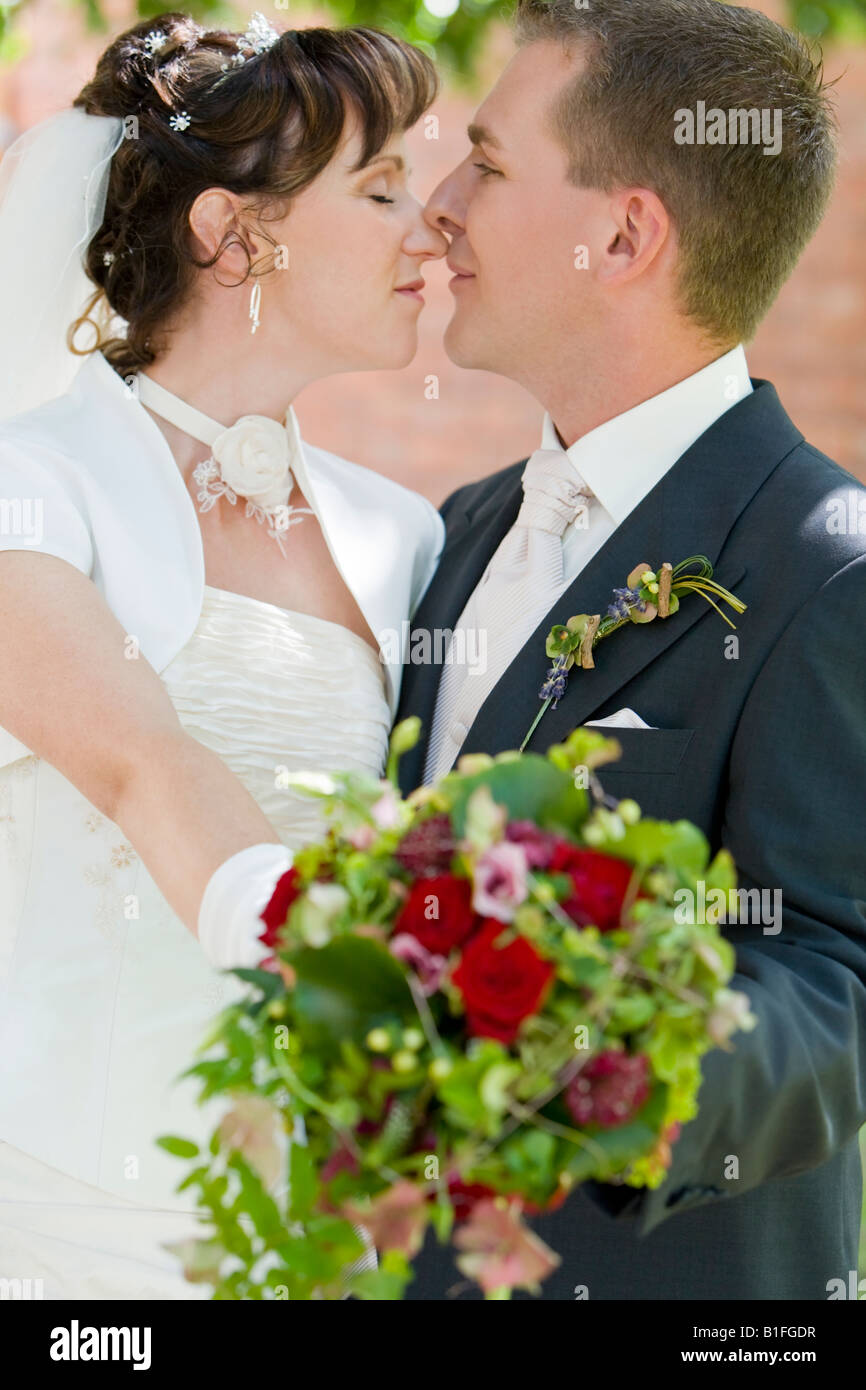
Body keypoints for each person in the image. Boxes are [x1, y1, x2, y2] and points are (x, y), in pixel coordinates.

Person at [396, 0, 866, 1300]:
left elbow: (835, 975)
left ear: (623, 231)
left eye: (486, 162)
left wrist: (596, 1059)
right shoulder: (460, 526)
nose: (439, 204)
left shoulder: (829, 566)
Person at [0, 13, 446, 1298]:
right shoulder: (33, 484)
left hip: (325, 1220)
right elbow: (143, 760)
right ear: (232, 233)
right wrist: (339, 958)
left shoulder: (406, 535)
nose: (424, 228)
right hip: (71, 1215)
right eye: (378, 189)